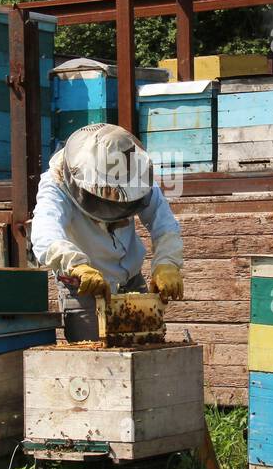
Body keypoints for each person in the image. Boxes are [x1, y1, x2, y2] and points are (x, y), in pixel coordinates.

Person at [30, 124, 183, 334]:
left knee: (145, 347)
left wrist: (167, 262)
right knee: (93, 358)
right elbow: (45, 231)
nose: (113, 202)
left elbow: (164, 222)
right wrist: (76, 265)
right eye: (107, 194)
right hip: (83, 284)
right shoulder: (56, 185)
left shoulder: (135, 173)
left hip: (131, 280)